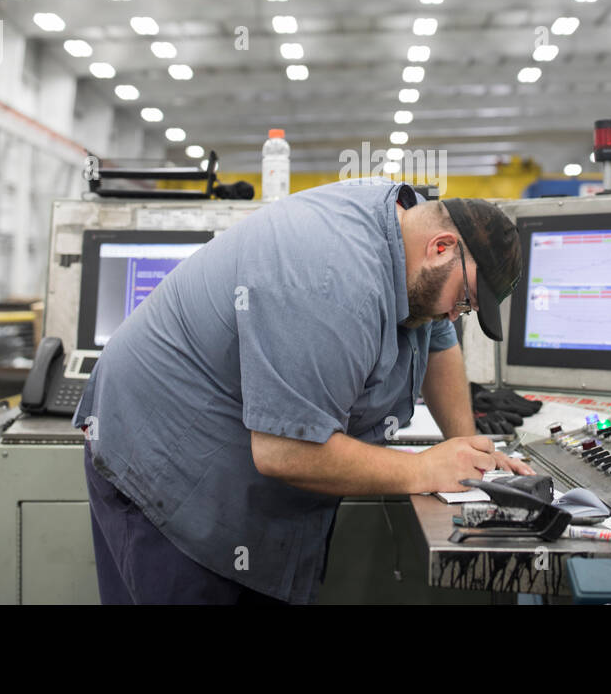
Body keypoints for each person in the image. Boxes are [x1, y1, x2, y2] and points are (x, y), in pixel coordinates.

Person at [72, 178, 531, 604]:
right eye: (467, 299)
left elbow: (439, 342)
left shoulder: (409, 238)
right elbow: (285, 452)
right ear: (442, 247)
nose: (456, 314)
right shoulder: (330, 278)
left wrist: (462, 449)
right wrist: (423, 469)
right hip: (166, 457)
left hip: (236, 463)